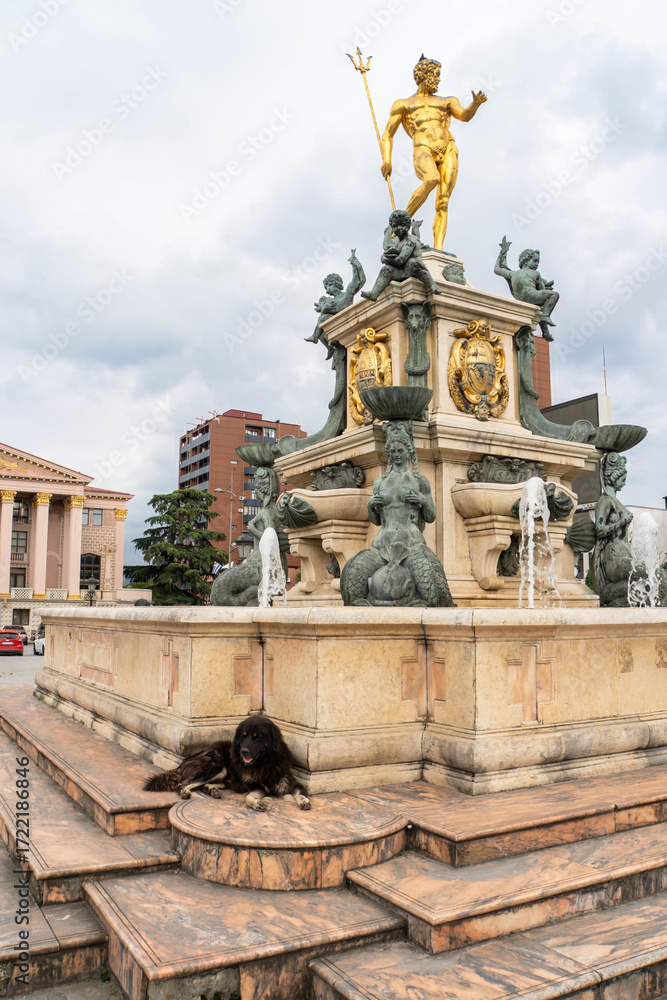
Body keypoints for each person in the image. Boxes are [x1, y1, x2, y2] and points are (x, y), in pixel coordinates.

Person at [380, 55, 487, 251]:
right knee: (431, 179)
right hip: (423, 147)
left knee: (443, 200)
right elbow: (388, 134)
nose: (438, 79)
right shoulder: (404, 104)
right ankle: (398, 226)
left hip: (448, 147)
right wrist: (386, 159)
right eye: (435, 75)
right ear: (424, 75)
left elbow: (464, 116)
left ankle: (438, 250)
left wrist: (475, 104)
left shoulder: (446, 101)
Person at [361, 210, 441, 301]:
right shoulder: (394, 241)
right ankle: (374, 293)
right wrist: (385, 256)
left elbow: (400, 260)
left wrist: (385, 259)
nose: (399, 228)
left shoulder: (411, 240)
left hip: (412, 269)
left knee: (415, 262)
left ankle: (432, 284)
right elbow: (387, 251)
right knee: (386, 269)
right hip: (400, 271)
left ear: (408, 226)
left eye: (402, 225)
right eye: (395, 226)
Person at [494, 237, 559, 340]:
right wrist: (546, 287)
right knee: (553, 296)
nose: (537, 264)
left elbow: (497, 269)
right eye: (535, 261)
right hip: (531, 296)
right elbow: (541, 290)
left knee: (541, 307)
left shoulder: (512, 274)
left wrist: (503, 252)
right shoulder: (536, 273)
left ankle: (545, 328)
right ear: (526, 260)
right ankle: (546, 321)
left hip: (520, 299)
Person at [305, 250, 365, 350]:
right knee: (322, 321)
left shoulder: (347, 294)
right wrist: (321, 307)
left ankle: (316, 338)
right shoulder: (329, 300)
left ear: (334, 284)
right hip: (337, 326)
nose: (327, 291)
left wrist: (355, 263)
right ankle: (329, 348)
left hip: (347, 320)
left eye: (327, 287)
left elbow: (359, 280)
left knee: (322, 318)